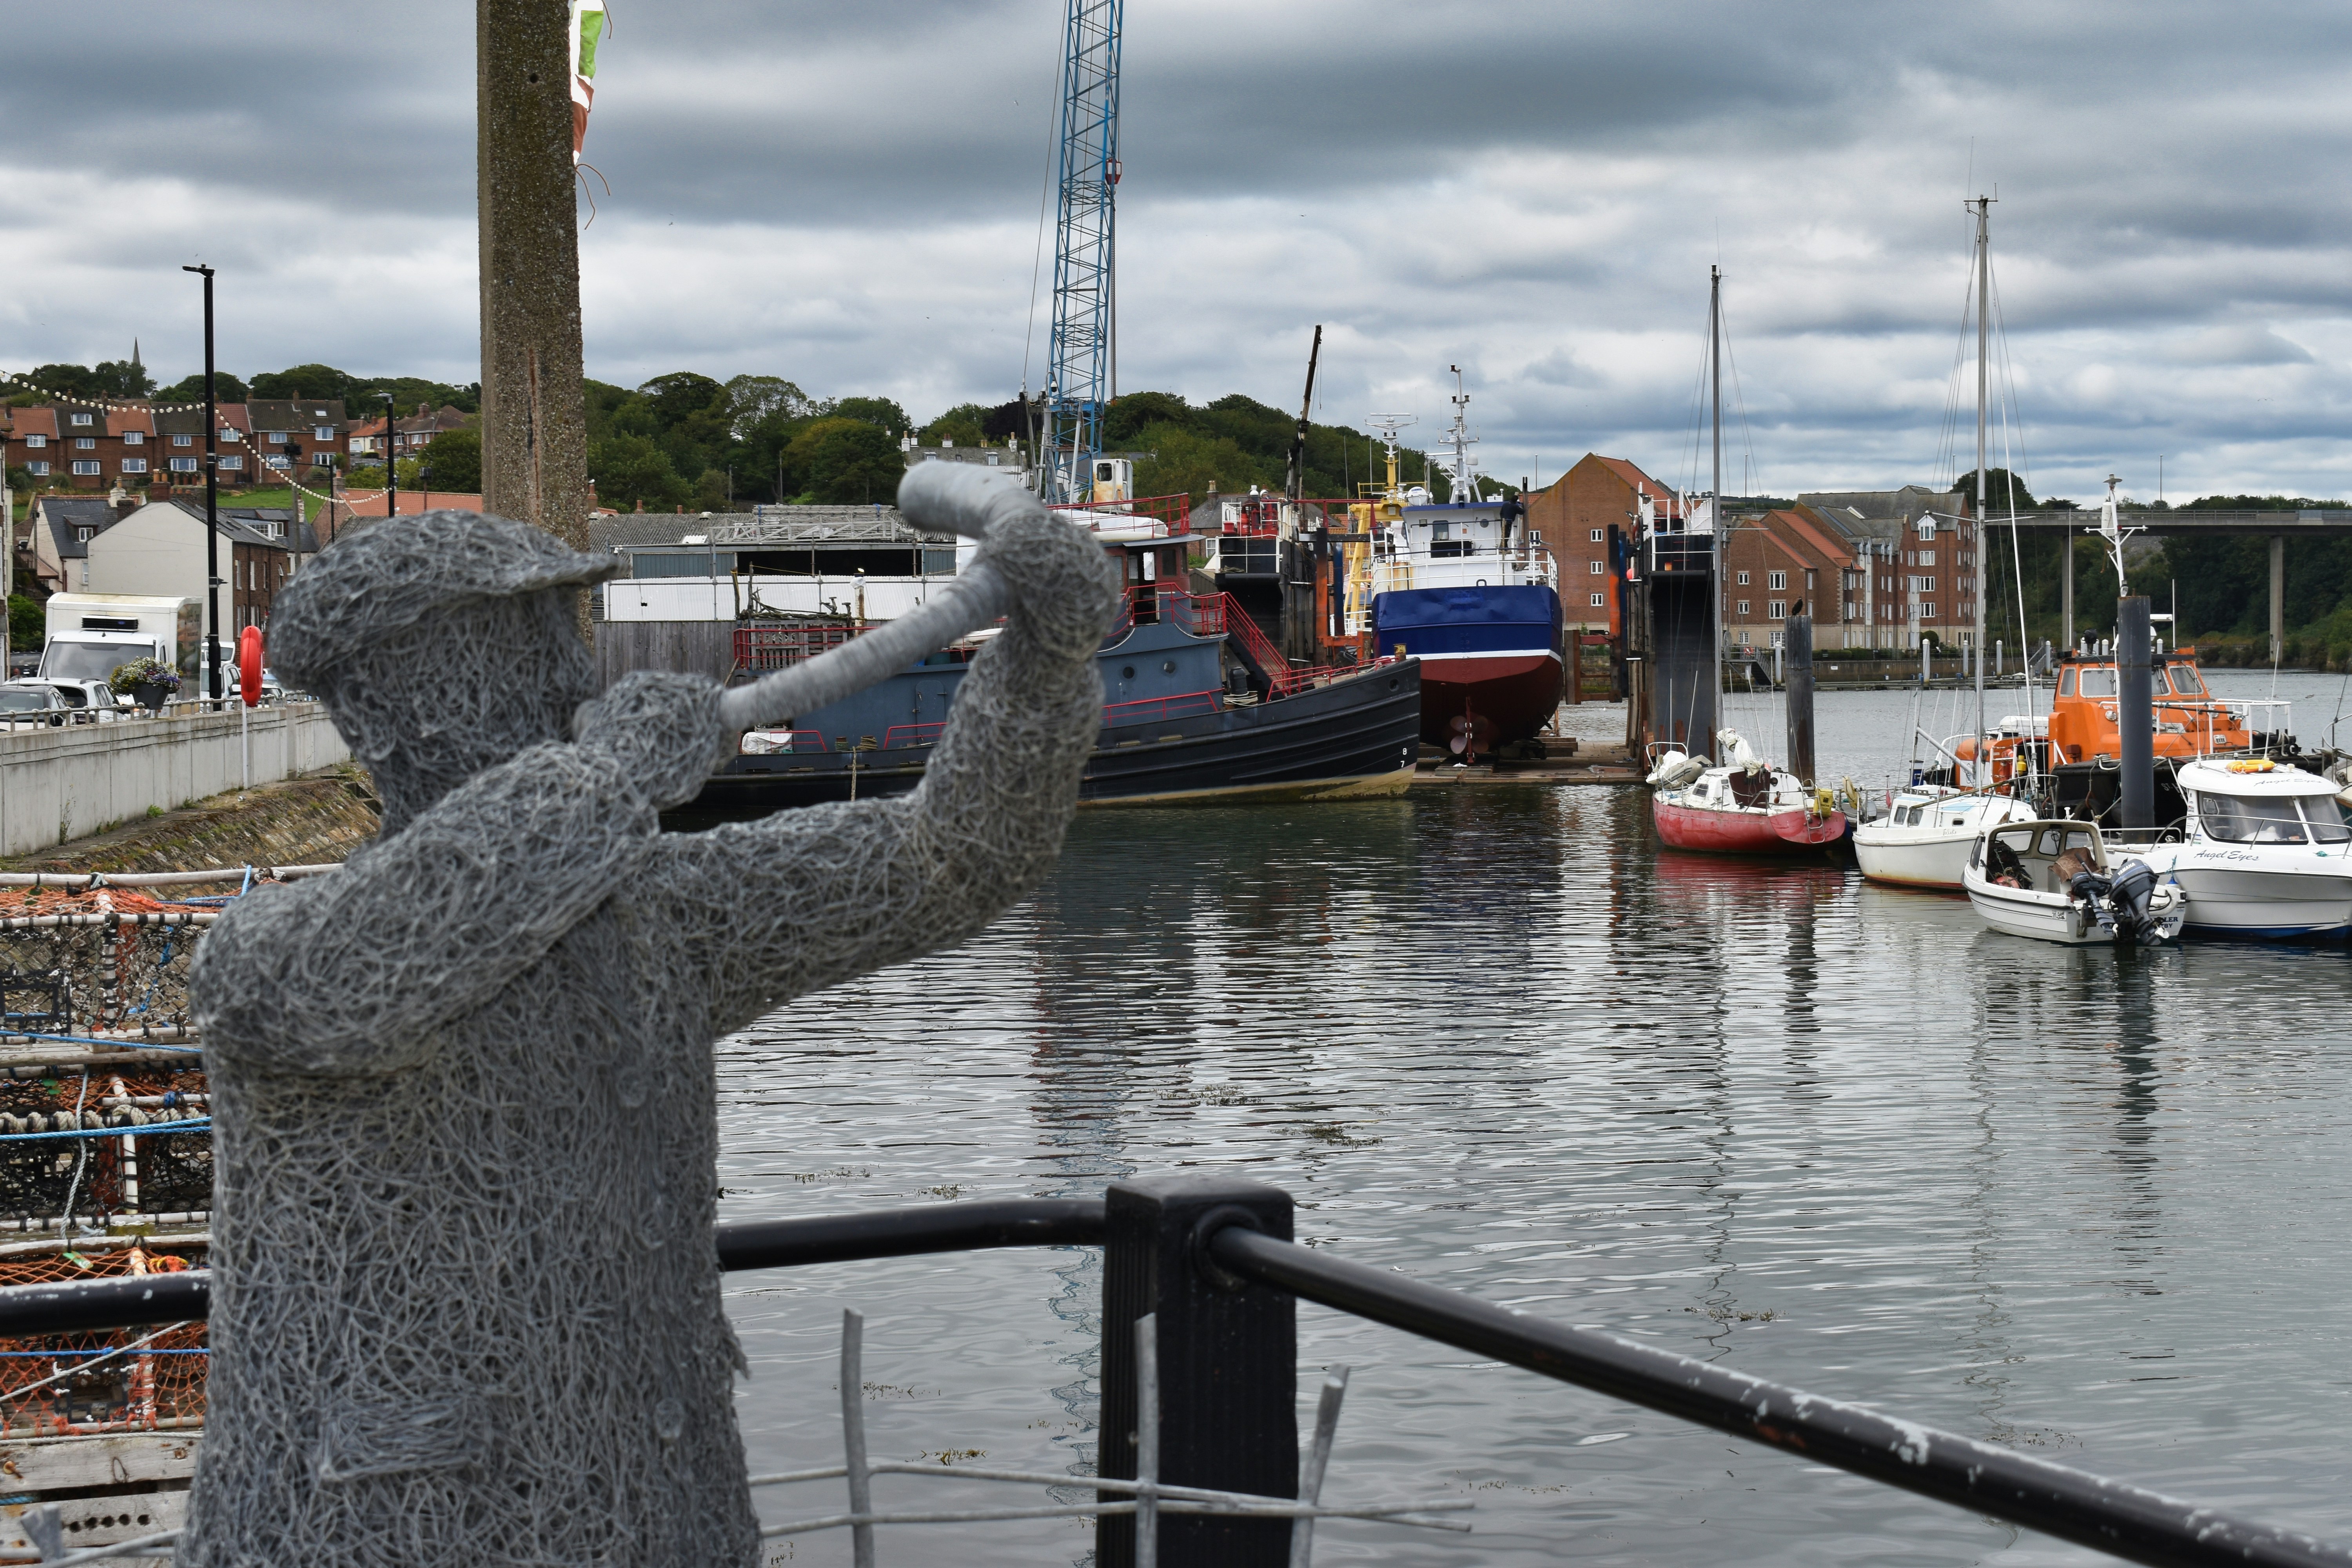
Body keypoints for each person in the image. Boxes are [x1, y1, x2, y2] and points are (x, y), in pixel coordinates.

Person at [183, 499, 1118, 1566]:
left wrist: (1045, 659)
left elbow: (948, 861)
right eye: (507, 645)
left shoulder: (663, 918)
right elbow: (379, 968)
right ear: (378, 713)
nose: (566, 679)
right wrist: (609, 777)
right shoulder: (267, 963)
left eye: (561, 635)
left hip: (664, 1518)